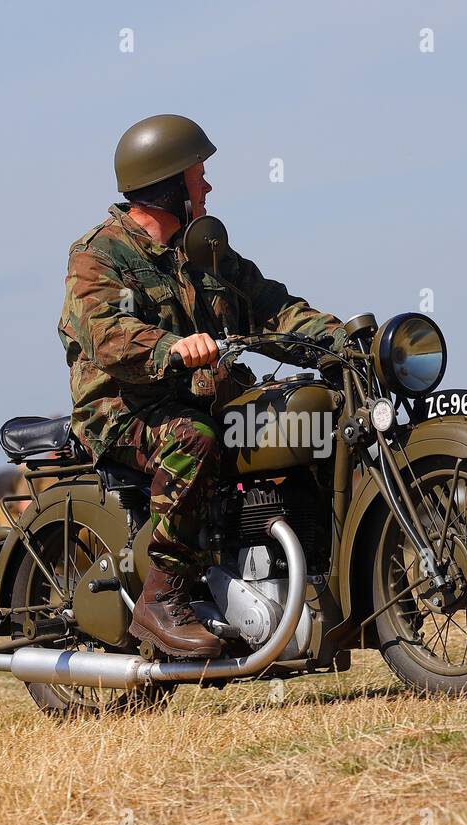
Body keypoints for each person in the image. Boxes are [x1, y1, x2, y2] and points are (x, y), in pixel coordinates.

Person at [59, 114, 342, 660]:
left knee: (313, 420)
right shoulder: (100, 254)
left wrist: (343, 340)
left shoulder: (208, 251)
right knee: (195, 438)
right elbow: (106, 334)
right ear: (168, 186)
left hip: (209, 397)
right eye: (198, 176)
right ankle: (161, 600)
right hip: (124, 411)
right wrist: (171, 348)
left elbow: (274, 309)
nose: (207, 186)